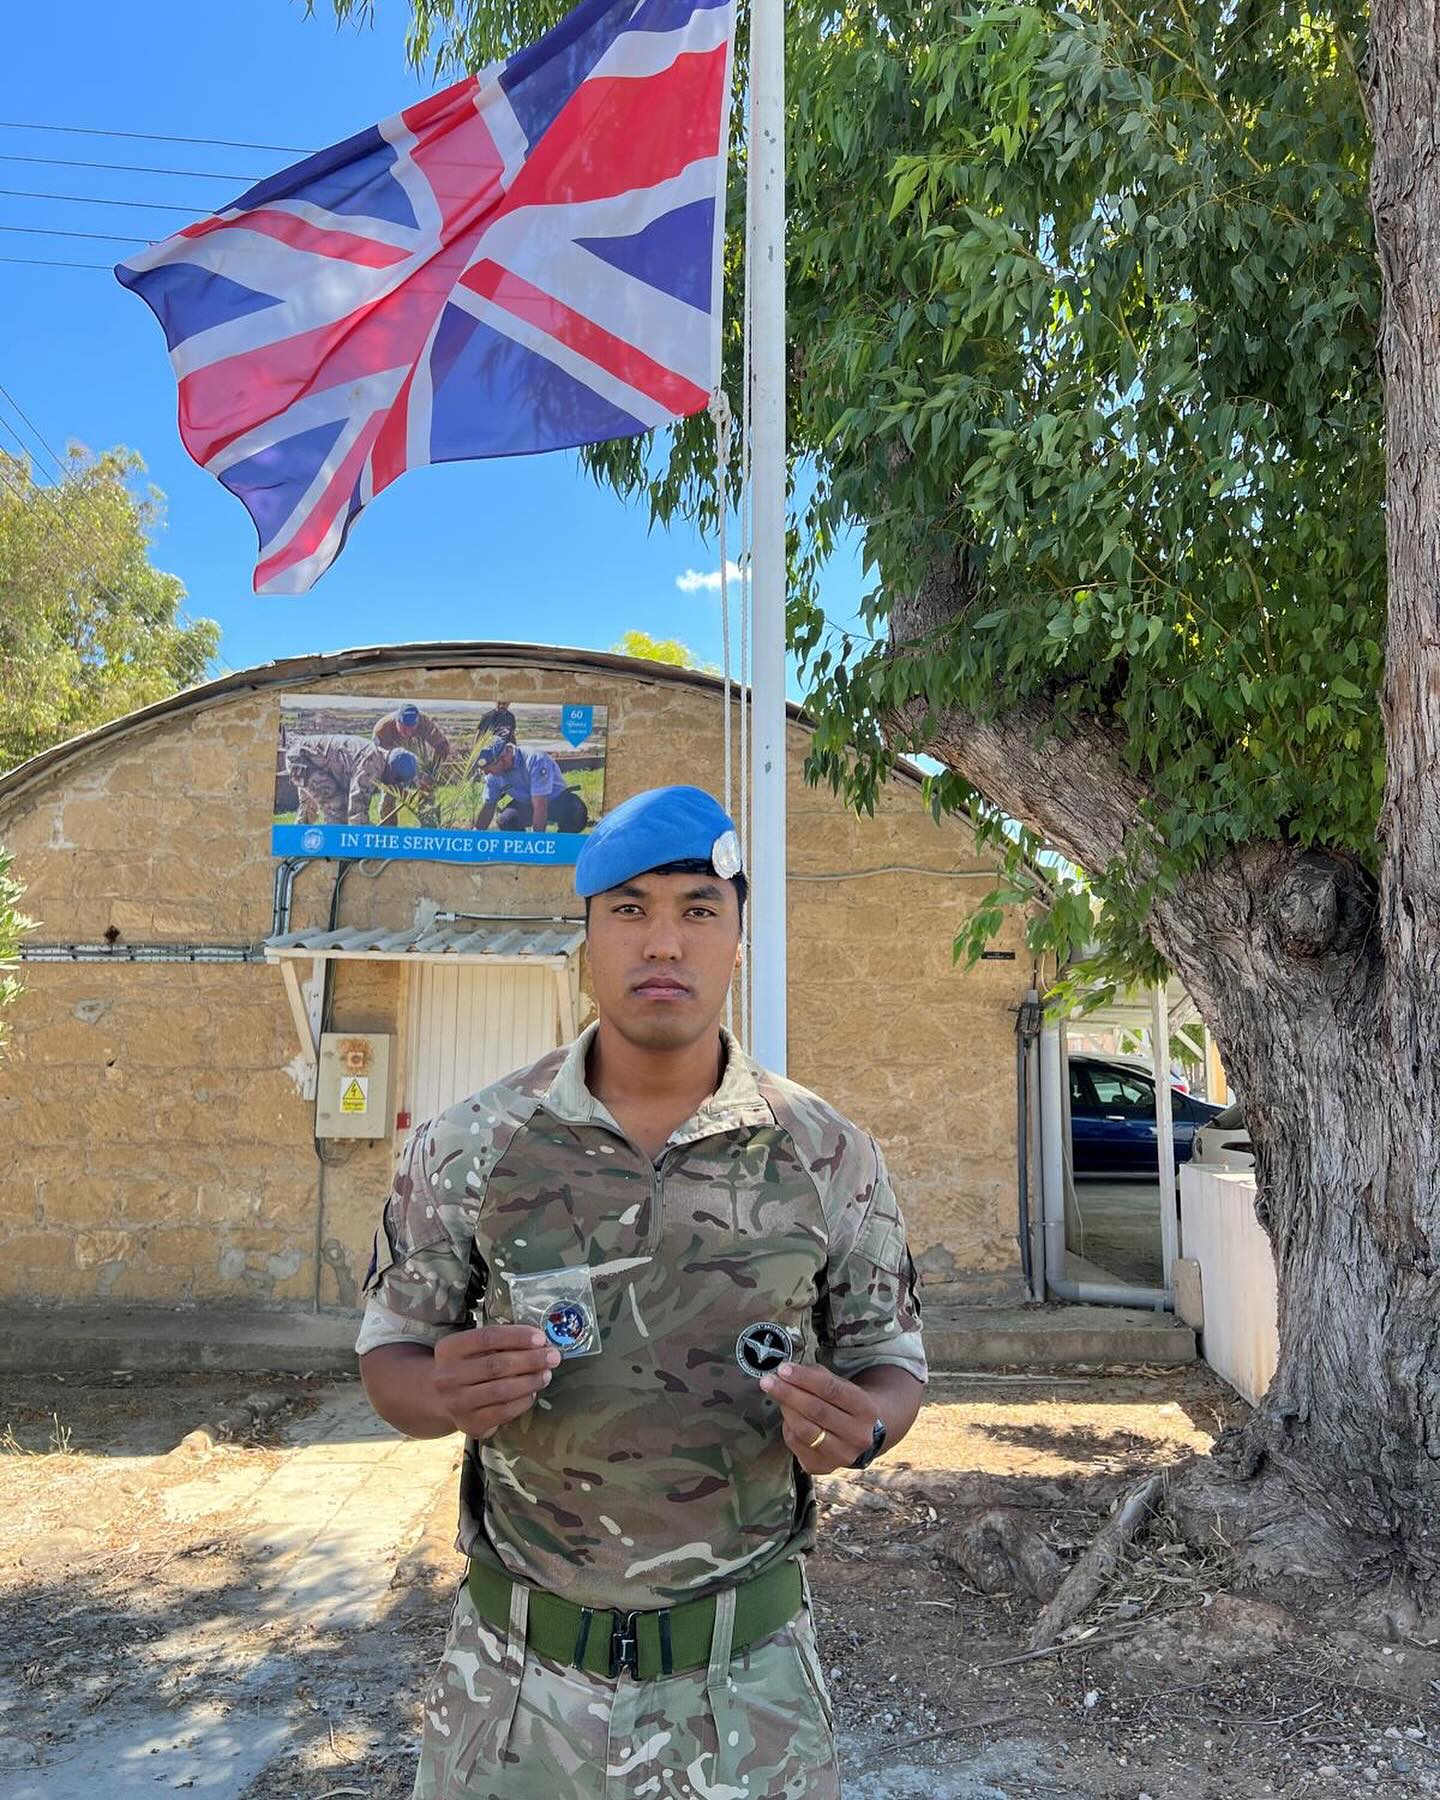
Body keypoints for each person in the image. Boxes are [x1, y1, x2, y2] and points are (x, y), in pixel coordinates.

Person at [356, 785, 926, 1799]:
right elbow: (391, 1358)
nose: (663, 942)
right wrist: (443, 1392)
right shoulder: (470, 1147)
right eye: (629, 910)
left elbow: (888, 1359)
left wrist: (867, 1423)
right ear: (587, 938)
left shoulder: (827, 1153)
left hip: (749, 1695)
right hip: (515, 1695)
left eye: (698, 910)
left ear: (739, 938)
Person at [284, 733, 418, 826]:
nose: (393, 786)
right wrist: (369, 838)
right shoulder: (371, 766)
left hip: (301, 757)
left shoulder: (381, 756)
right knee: (337, 809)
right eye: (395, 781)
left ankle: (294, 844)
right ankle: (333, 852)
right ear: (391, 772)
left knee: (308, 811)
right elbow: (356, 812)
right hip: (302, 760)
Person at [473, 736, 589, 834]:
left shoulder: (535, 759)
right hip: (527, 803)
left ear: (504, 757)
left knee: (576, 813)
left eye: (488, 768)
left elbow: (540, 805)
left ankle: (561, 850)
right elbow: (488, 806)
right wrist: (475, 836)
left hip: (555, 800)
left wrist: (537, 841)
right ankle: (521, 856)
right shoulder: (493, 776)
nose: (487, 773)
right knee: (506, 820)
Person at [373, 702, 453, 765]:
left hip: (418, 756)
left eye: (412, 729)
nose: (408, 732)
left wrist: (434, 770)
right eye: (404, 728)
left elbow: (443, 746)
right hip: (393, 760)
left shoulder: (423, 722)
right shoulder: (382, 730)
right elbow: (378, 758)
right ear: (397, 721)